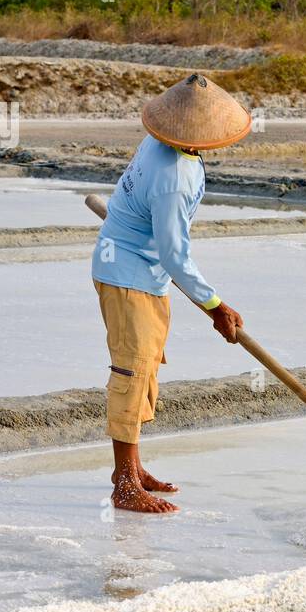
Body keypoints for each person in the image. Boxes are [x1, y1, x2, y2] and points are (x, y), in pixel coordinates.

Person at [91, 73, 251, 513]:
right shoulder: (174, 176)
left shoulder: (164, 146)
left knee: (146, 369)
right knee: (132, 371)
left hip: (145, 271)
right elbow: (176, 254)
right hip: (127, 274)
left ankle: (133, 468)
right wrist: (216, 306)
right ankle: (124, 483)